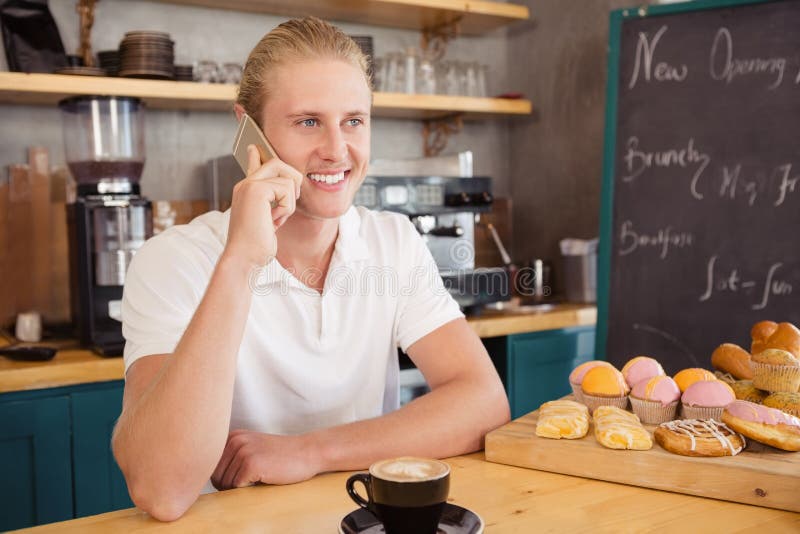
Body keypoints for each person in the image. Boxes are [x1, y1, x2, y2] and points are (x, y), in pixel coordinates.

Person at [112, 17, 510, 522]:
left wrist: (308, 451)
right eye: (307, 121)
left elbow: (483, 402)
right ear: (247, 129)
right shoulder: (172, 261)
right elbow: (161, 489)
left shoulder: (393, 242)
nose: (337, 150)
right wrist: (240, 262)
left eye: (353, 120)